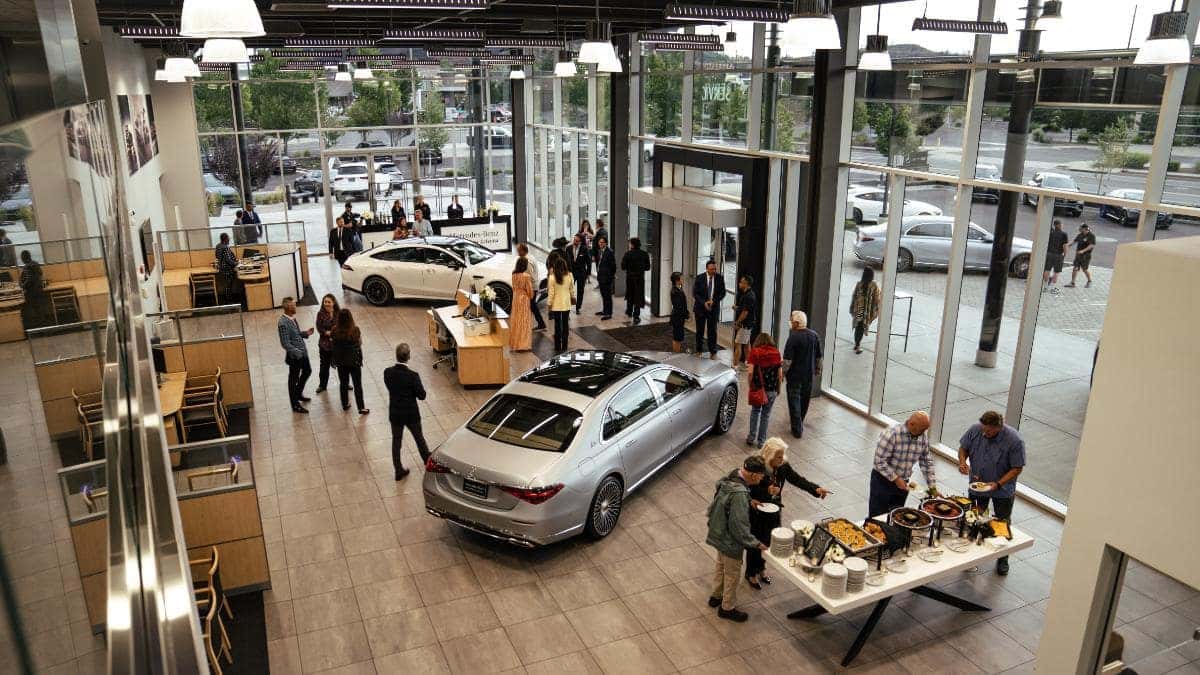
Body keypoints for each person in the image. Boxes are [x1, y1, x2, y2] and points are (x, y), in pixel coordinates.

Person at [744, 438, 829, 589]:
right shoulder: (757, 466)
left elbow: (797, 479)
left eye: (782, 455)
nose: (781, 458)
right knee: (756, 543)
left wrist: (815, 489)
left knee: (769, 540)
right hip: (757, 511)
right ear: (769, 456)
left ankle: (761, 569)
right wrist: (767, 491)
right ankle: (750, 573)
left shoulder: (783, 466)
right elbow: (748, 489)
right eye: (778, 456)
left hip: (774, 510)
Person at [958, 411, 1025, 576]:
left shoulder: (1014, 440)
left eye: (988, 431)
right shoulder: (975, 430)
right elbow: (963, 448)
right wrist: (962, 462)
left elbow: (1017, 468)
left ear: (998, 427)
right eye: (983, 429)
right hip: (978, 485)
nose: (984, 433)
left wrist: (998, 484)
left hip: (1002, 490)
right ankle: (972, 555)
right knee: (974, 518)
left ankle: (1002, 558)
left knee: (1001, 523)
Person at [705, 455, 768, 623]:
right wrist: (756, 543)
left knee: (720, 566)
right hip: (730, 540)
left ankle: (716, 596)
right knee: (732, 574)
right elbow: (738, 526)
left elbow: (727, 498)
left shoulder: (732, 475)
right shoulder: (740, 494)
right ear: (753, 475)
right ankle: (727, 608)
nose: (761, 479)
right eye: (761, 476)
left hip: (718, 532)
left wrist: (749, 500)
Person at [868, 411, 937, 517]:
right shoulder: (892, 434)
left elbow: (926, 463)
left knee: (896, 516)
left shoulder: (922, 437)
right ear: (911, 424)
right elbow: (879, 461)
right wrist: (896, 479)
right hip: (882, 481)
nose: (924, 432)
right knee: (877, 516)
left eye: (925, 430)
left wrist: (932, 488)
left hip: (903, 484)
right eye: (922, 429)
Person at [384, 343, 431, 479]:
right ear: (408, 356)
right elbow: (422, 395)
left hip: (395, 413)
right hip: (411, 414)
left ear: (396, 355)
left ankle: (398, 469)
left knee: (396, 441)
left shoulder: (387, 372)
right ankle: (427, 460)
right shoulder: (413, 376)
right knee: (419, 438)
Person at [782, 310, 822, 438]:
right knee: (805, 399)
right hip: (808, 374)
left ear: (796, 323)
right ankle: (800, 421)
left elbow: (787, 360)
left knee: (794, 400)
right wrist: (817, 369)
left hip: (794, 375)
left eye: (792, 320)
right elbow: (819, 356)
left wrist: (782, 373)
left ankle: (797, 428)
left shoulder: (793, 337)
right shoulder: (814, 335)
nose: (790, 323)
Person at [745, 333, 783, 449]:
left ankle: (751, 437)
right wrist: (779, 388)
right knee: (766, 415)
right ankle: (761, 442)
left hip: (758, 389)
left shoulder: (754, 352)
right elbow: (780, 375)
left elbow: (750, 373)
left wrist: (750, 385)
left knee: (755, 411)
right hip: (772, 390)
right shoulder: (776, 353)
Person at [277, 297, 314, 414]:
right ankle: (295, 405)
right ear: (288, 307)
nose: (296, 306)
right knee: (293, 379)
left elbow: (296, 334)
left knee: (307, 371)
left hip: (303, 353)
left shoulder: (292, 318)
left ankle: (298, 393)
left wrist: (306, 333)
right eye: (294, 305)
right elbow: (285, 343)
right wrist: (297, 352)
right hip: (295, 357)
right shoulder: (283, 323)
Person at [331, 308, 368, 414]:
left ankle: (345, 404)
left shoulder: (334, 330)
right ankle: (361, 407)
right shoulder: (355, 330)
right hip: (354, 362)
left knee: (343, 384)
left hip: (341, 362)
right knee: (357, 385)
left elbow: (333, 344)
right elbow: (360, 343)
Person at [693, 260, 725, 358]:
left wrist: (713, 301)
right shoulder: (699, 278)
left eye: (715, 269)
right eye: (711, 269)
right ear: (707, 269)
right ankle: (699, 350)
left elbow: (722, 293)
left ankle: (713, 352)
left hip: (713, 309)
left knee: (712, 331)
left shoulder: (719, 278)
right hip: (700, 308)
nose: (713, 271)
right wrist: (704, 303)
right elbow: (695, 293)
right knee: (700, 331)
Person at [849, 267, 882, 354]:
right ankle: (857, 346)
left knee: (858, 326)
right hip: (866, 311)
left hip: (858, 310)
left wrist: (852, 307)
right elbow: (877, 298)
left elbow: (854, 296)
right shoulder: (873, 285)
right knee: (861, 327)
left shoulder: (859, 284)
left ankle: (856, 344)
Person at [516, 243, 547, 331]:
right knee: (532, 306)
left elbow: (530, 276)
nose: (518, 253)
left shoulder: (527, 261)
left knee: (530, 306)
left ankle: (539, 324)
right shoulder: (530, 256)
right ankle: (540, 323)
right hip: (532, 286)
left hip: (530, 287)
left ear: (523, 251)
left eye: (519, 251)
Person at [546, 255, 575, 353]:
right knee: (565, 324)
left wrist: (549, 304)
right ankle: (565, 345)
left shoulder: (552, 277)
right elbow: (571, 289)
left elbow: (551, 293)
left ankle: (557, 346)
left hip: (556, 305)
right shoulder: (569, 275)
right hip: (566, 303)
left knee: (557, 325)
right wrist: (573, 297)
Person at [314, 294, 341, 394]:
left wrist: (335, 333)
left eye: (329, 302)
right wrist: (326, 333)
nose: (326, 304)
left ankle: (345, 383)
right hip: (324, 345)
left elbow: (343, 325)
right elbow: (319, 327)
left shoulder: (339, 313)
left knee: (341, 366)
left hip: (337, 344)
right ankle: (322, 385)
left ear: (333, 303)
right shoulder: (320, 314)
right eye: (325, 302)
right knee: (324, 366)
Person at [620, 237, 650, 325]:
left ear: (632, 245)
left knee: (630, 294)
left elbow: (623, 267)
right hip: (640, 278)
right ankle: (636, 315)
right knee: (638, 295)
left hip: (630, 278)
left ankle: (629, 311)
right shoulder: (644, 254)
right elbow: (647, 267)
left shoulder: (627, 254)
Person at [509, 257, 535, 352]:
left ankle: (514, 343)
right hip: (524, 300)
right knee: (524, 322)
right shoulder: (526, 276)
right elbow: (530, 291)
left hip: (516, 298)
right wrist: (531, 296)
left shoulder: (514, 274)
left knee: (516, 321)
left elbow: (513, 287)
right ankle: (523, 345)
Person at [732, 275, 757, 369]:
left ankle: (735, 365)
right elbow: (745, 308)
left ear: (746, 284)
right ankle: (748, 362)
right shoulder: (749, 294)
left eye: (741, 282)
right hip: (749, 323)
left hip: (745, 324)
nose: (739, 284)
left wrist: (737, 322)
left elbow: (745, 313)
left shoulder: (748, 296)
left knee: (737, 343)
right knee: (746, 343)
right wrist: (737, 308)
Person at [18, 251, 48, 328]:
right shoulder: (35, 263)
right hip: (39, 288)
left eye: (22, 258)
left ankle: (38, 325)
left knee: (35, 307)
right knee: (39, 307)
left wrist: (22, 286)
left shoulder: (28, 266)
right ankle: (42, 323)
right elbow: (40, 274)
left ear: (23, 258)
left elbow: (29, 279)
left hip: (32, 291)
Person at [1043, 218, 1070, 294]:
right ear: (1059, 225)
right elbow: (1065, 246)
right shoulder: (1064, 234)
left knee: (1047, 270)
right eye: (1061, 224)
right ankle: (1053, 288)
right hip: (1058, 255)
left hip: (1049, 254)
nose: (1062, 225)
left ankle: (1045, 287)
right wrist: (1065, 254)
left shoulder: (1050, 233)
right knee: (1056, 271)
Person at [1066, 223, 1096, 288]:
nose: (1079, 229)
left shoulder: (1091, 236)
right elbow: (1074, 241)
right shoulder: (1080, 235)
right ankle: (1072, 283)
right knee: (1075, 268)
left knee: (1084, 269)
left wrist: (1083, 251)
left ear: (1084, 229)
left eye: (1081, 228)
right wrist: (1067, 245)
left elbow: (1091, 245)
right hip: (1078, 255)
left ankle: (1089, 281)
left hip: (1086, 256)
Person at [214, 232, 240, 306]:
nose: (229, 239)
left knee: (227, 284)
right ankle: (229, 300)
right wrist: (237, 263)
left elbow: (217, 256)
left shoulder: (218, 246)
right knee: (229, 284)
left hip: (222, 268)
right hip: (227, 269)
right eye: (228, 238)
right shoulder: (225, 247)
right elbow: (228, 260)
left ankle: (228, 299)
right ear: (225, 239)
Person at [593, 236, 616, 320]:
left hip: (607, 278)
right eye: (599, 242)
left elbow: (613, 266)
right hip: (601, 277)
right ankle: (605, 310)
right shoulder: (600, 251)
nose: (600, 244)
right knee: (603, 295)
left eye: (602, 242)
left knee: (607, 296)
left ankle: (608, 313)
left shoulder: (609, 252)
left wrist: (610, 277)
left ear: (606, 243)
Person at [568, 234, 590, 315]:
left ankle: (578, 307)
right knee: (568, 290)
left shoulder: (584, 249)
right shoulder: (568, 248)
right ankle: (567, 308)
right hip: (571, 273)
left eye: (577, 241)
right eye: (574, 240)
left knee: (580, 291)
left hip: (581, 273)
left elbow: (588, 262)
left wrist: (588, 273)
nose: (575, 242)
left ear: (580, 241)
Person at [669, 271, 688, 353]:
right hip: (677, 317)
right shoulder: (675, 291)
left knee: (679, 337)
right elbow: (679, 305)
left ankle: (677, 353)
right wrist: (686, 314)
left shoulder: (678, 289)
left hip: (679, 316)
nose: (683, 279)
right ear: (677, 280)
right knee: (677, 337)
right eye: (681, 278)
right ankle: (676, 354)